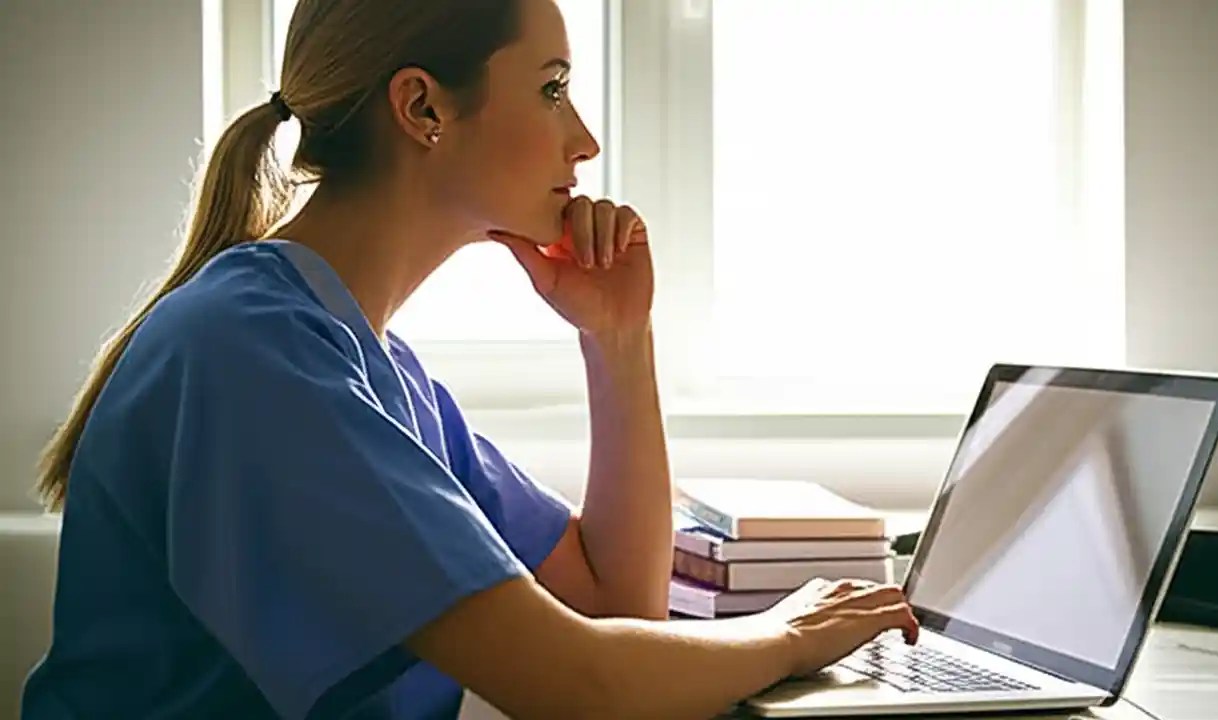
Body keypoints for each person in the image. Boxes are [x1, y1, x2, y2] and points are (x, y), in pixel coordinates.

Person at [21, 0, 919, 718]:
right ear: (422, 107)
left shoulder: (375, 367)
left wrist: (617, 340)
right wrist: (789, 633)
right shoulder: (252, 352)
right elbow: (577, 686)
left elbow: (614, 603)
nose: (585, 142)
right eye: (552, 88)